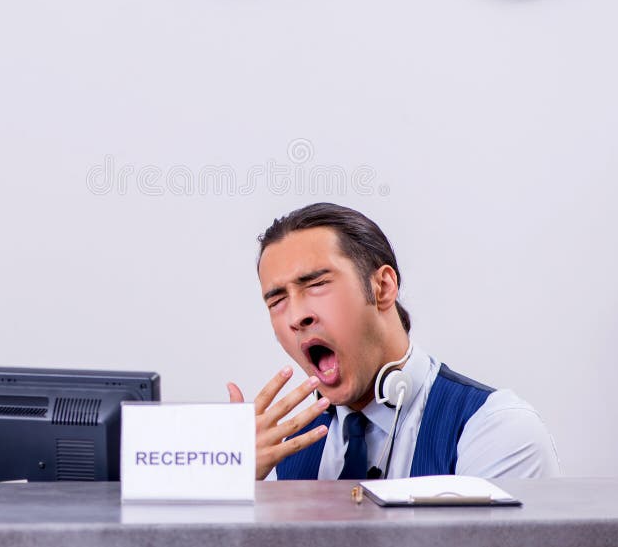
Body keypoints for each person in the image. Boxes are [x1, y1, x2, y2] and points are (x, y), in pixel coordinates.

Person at [228, 203, 559, 481]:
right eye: (277, 301)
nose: (296, 316)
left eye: (316, 285)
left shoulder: (498, 431)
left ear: (383, 287)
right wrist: (232, 484)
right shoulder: (282, 454)